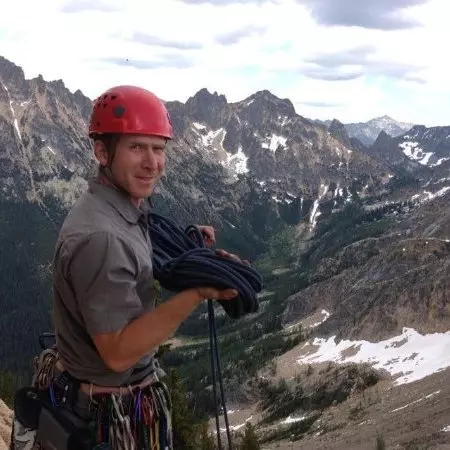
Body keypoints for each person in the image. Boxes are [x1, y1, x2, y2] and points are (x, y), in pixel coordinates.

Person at [17, 85, 243, 449]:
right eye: (136, 147)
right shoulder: (100, 237)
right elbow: (118, 352)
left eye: (159, 148)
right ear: (101, 151)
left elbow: (135, 249)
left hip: (107, 404)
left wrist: (187, 242)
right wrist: (198, 291)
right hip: (106, 419)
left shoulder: (121, 209)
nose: (152, 162)